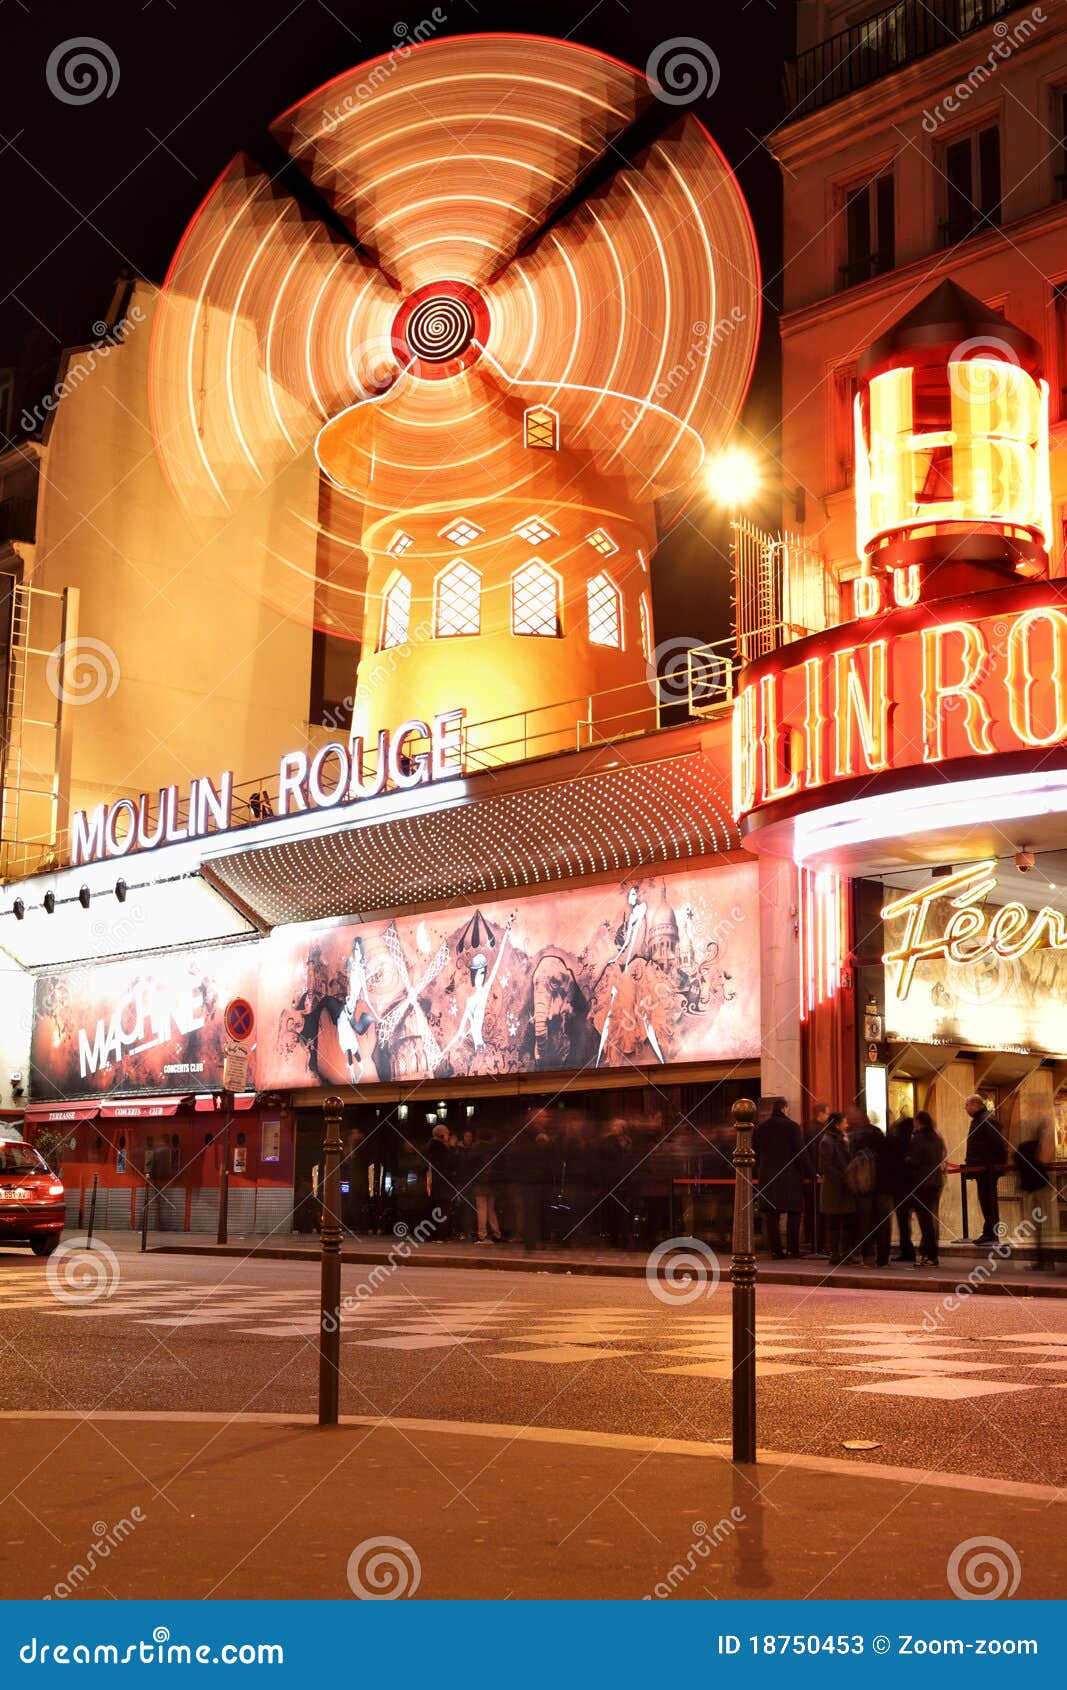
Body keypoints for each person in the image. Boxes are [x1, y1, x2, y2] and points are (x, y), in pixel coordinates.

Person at [752, 1098, 805, 1258]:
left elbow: (756, 1154)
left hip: (767, 1178)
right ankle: (792, 1249)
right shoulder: (792, 1127)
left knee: (772, 1216)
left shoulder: (760, 1128)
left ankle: (776, 1250)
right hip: (789, 1178)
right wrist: (811, 1171)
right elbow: (800, 1153)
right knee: (794, 1213)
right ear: (784, 1109)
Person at [844, 1105, 892, 1266]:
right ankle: (883, 1258)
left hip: (863, 1187)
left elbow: (848, 1162)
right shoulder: (877, 1133)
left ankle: (868, 1256)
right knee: (883, 1222)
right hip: (883, 1185)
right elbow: (887, 1158)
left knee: (865, 1222)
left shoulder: (852, 1136)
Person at [964, 1094, 1008, 1244]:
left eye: (967, 1105)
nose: (965, 1109)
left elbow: (998, 1143)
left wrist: (996, 1165)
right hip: (982, 1167)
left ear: (975, 1105)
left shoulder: (985, 1119)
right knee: (985, 1200)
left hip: (987, 1168)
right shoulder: (980, 1119)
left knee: (988, 1201)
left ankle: (992, 1234)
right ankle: (988, 1232)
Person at [907, 1110, 946, 1265]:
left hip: (922, 1183)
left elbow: (915, 1161)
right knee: (930, 1218)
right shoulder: (937, 1138)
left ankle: (930, 1256)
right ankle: (930, 1254)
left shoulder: (918, 1139)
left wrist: (907, 1159)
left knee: (925, 1221)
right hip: (935, 1182)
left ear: (918, 1122)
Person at [817, 1111, 854, 1265]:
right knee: (836, 1220)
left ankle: (844, 1253)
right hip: (835, 1188)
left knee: (844, 1220)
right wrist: (843, 1178)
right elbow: (825, 1166)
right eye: (844, 1121)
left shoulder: (841, 1139)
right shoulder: (828, 1141)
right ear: (837, 1124)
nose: (847, 1124)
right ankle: (836, 1253)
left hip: (843, 1187)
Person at [885, 1114, 917, 1262]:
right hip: (913, 1185)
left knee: (903, 1220)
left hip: (900, 1187)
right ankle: (913, 1250)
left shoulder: (896, 1142)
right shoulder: (913, 1141)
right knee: (912, 1220)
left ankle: (907, 1250)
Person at [802, 1102, 830, 1254]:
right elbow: (816, 1154)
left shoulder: (808, 1128)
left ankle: (815, 1243)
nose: (828, 1116)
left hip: (811, 1176)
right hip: (818, 1177)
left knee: (813, 1212)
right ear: (821, 1113)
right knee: (819, 1212)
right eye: (826, 1113)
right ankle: (819, 1244)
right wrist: (818, 1172)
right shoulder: (819, 1130)